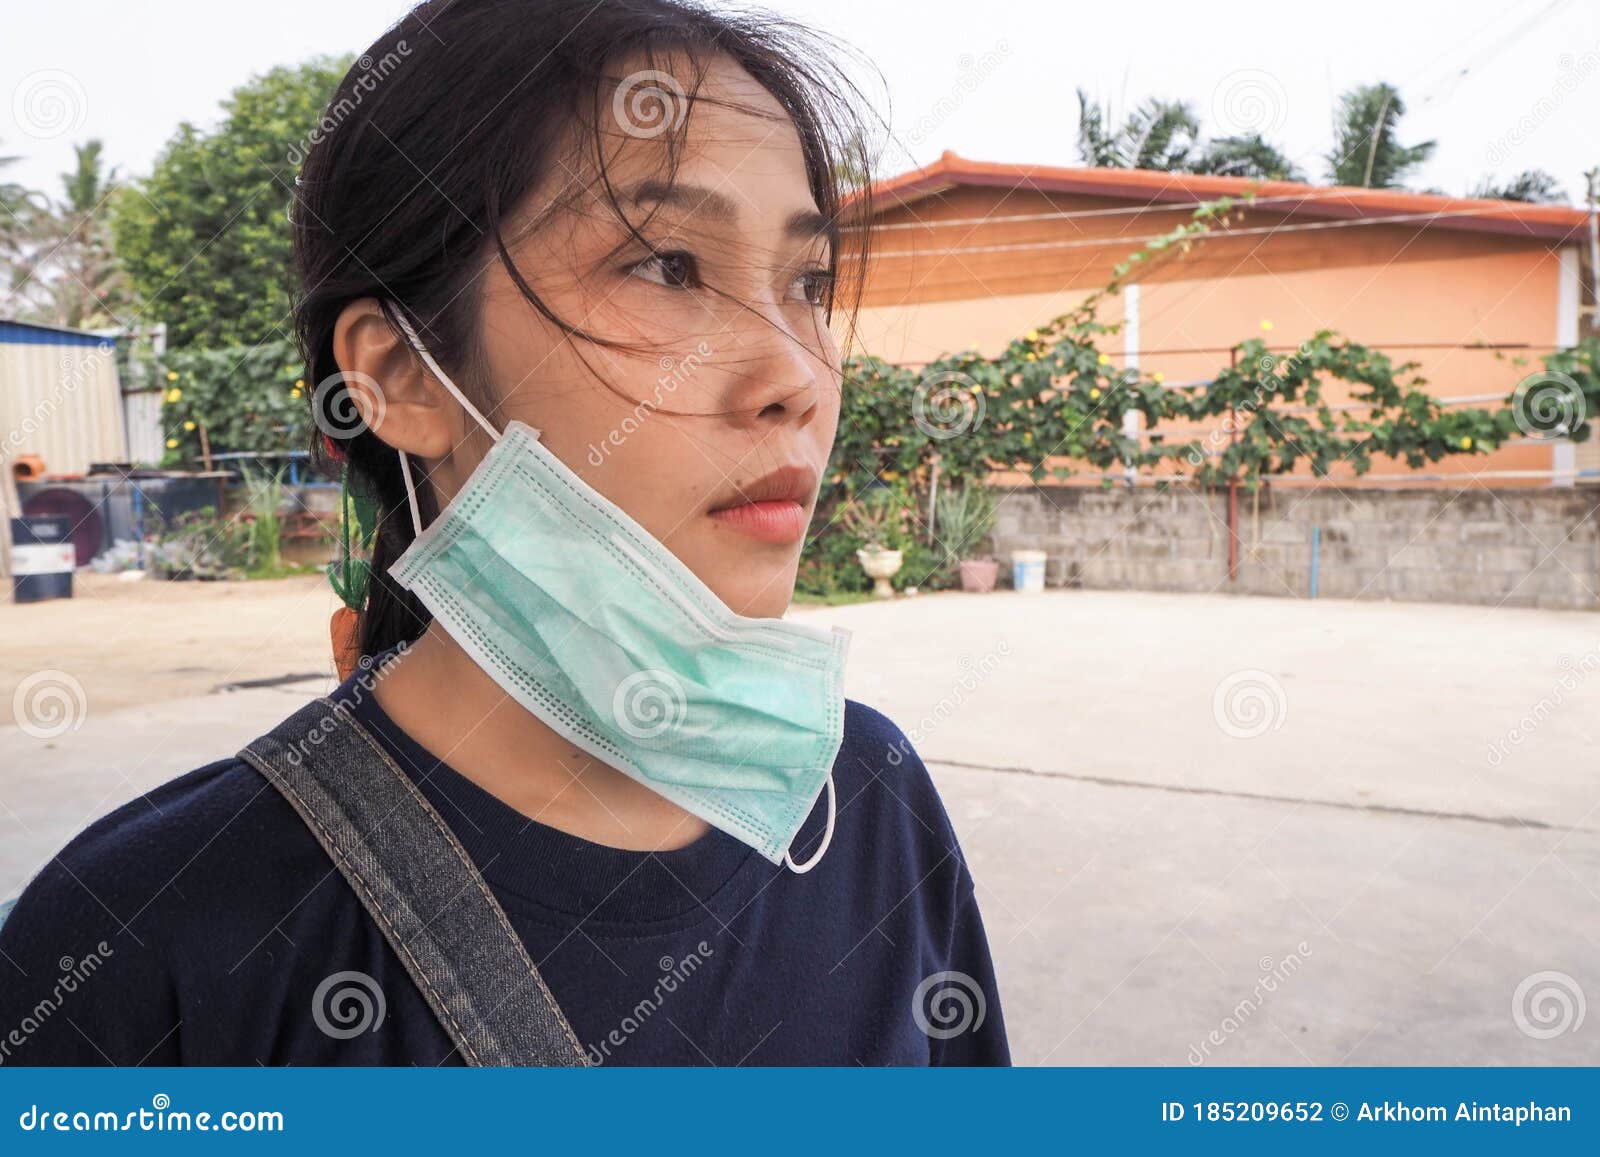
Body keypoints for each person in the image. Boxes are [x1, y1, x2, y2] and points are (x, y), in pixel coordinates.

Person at [0, 0, 1009, 1066]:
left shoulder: (870, 797)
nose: (797, 378)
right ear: (397, 377)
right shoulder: (143, 949)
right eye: (669, 265)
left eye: (808, 284)